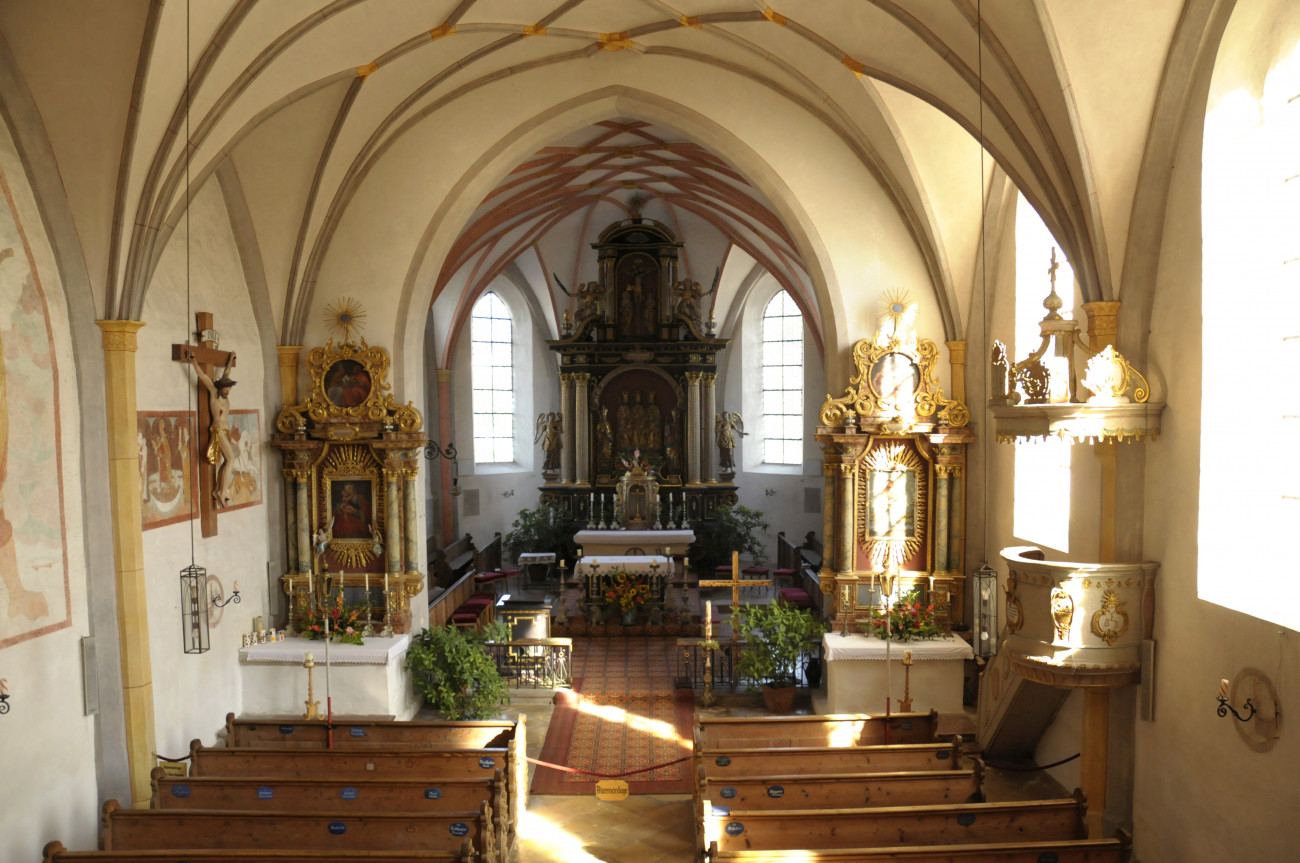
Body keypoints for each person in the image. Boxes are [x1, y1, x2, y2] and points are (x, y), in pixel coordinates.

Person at [187, 349, 238, 508]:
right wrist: (194, 361)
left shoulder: (225, 396)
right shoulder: (214, 394)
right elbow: (203, 376)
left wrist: (230, 358)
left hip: (226, 432)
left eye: (229, 389)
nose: (228, 391)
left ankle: (217, 491)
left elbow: (226, 372)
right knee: (231, 459)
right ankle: (222, 493)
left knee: (226, 461)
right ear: (221, 388)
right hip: (218, 430)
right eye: (226, 389)